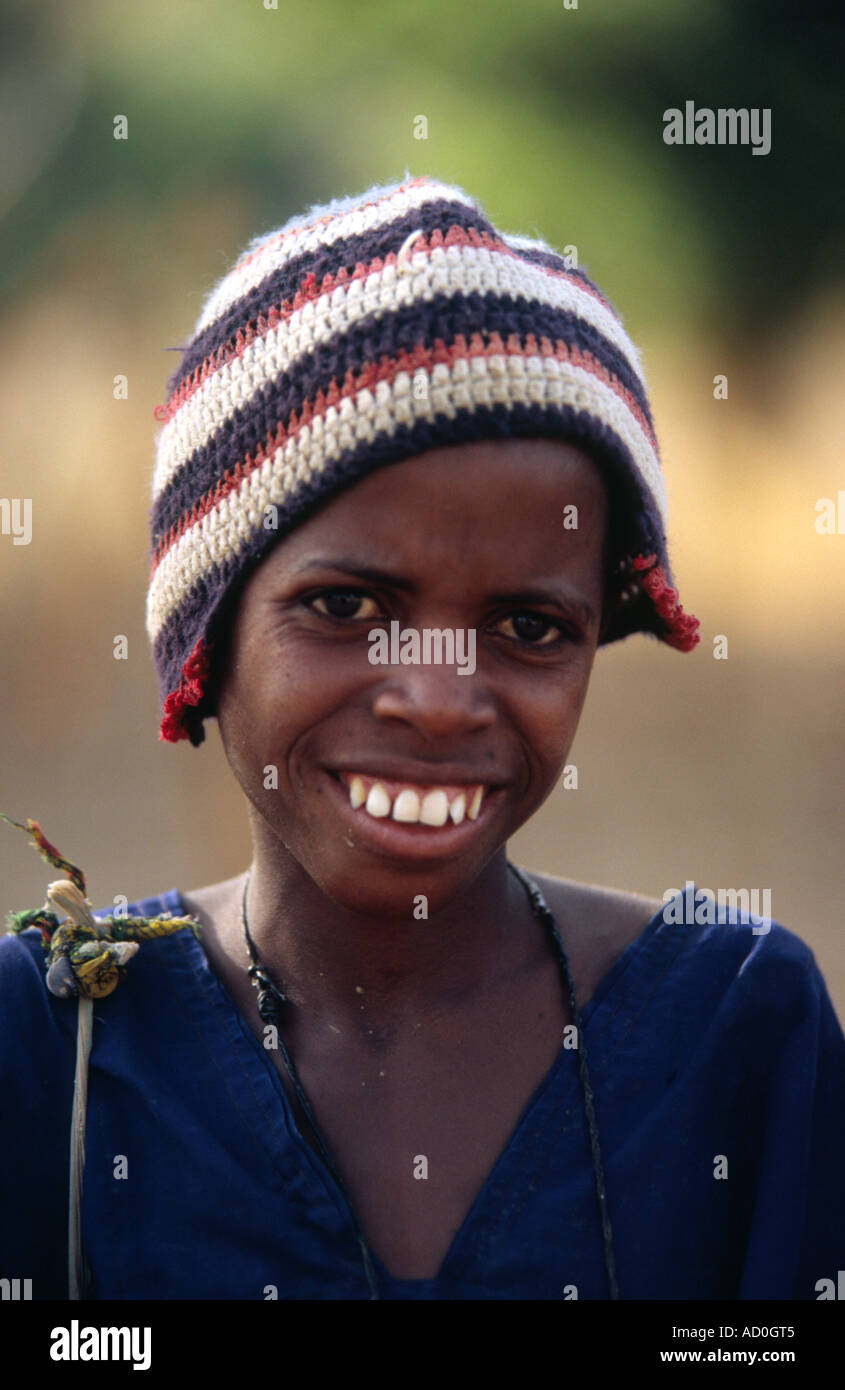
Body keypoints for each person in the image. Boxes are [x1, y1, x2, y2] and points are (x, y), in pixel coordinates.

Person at [1, 176, 842, 1302]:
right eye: (346, 607)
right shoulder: (57, 1047)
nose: (441, 700)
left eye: (529, 625)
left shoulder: (735, 1032)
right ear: (204, 626)